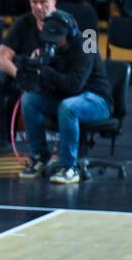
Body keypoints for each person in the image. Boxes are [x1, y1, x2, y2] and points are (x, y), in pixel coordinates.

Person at [15, 10, 113, 185]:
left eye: (58, 38)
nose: (54, 43)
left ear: (70, 33)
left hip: (97, 100)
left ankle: (69, 166)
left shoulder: (87, 43)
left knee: (68, 107)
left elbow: (75, 84)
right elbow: (50, 83)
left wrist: (47, 71)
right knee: (29, 100)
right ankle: (40, 156)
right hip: (66, 98)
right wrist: (34, 67)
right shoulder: (50, 44)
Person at [0, 0, 57, 148]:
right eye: (34, 2)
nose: (38, 7)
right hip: (24, 74)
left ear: (54, 0)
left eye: (43, 2)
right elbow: (0, 58)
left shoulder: (65, 23)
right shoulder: (23, 22)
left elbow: (81, 56)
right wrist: (21, 76)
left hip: (52, 77)